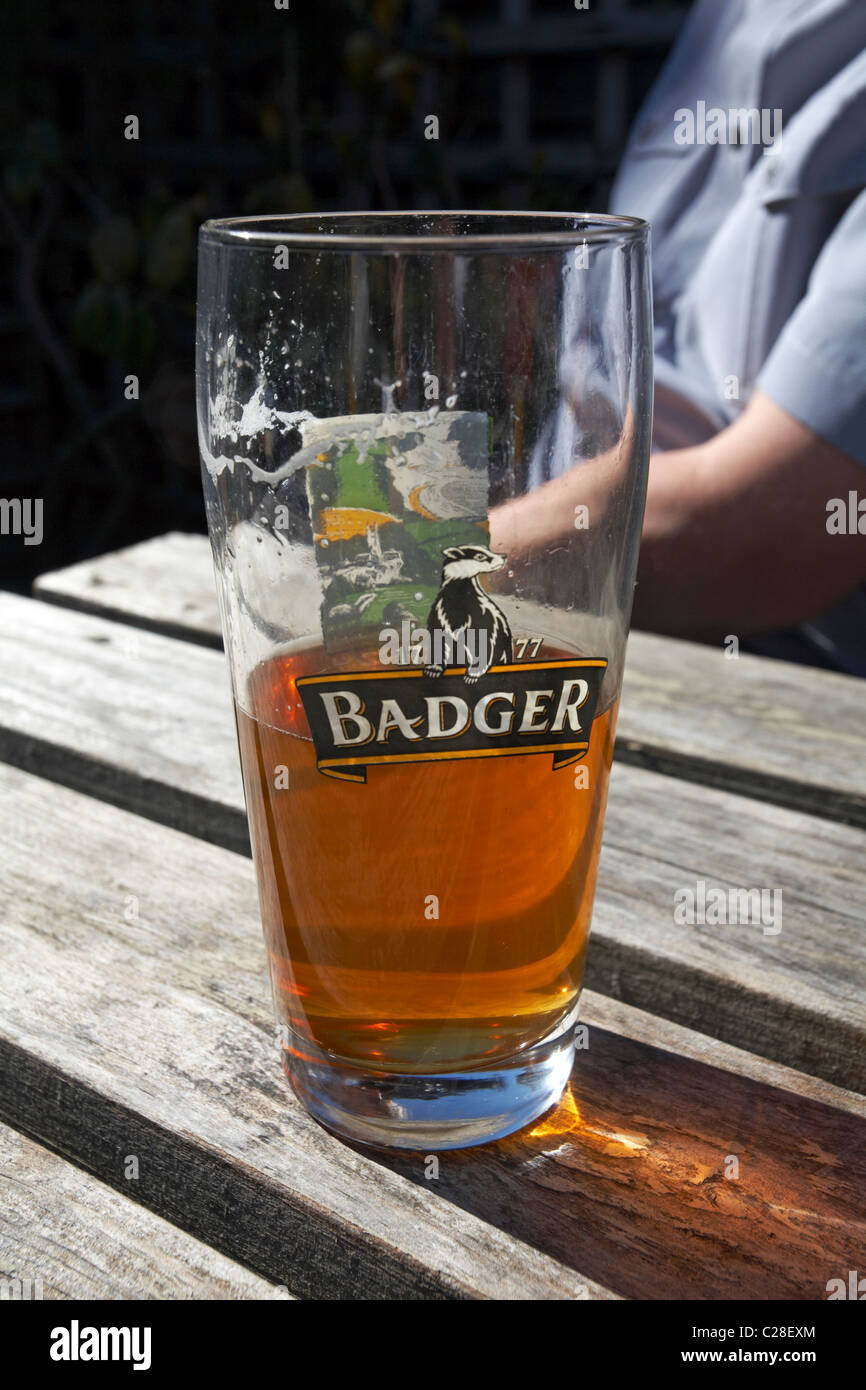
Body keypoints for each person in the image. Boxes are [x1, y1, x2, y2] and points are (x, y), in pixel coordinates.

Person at [605, 0, 866, 673]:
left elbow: (759, 532)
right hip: (568, 649)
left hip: (761, 708)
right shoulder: (724, 20)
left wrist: (394, 588)